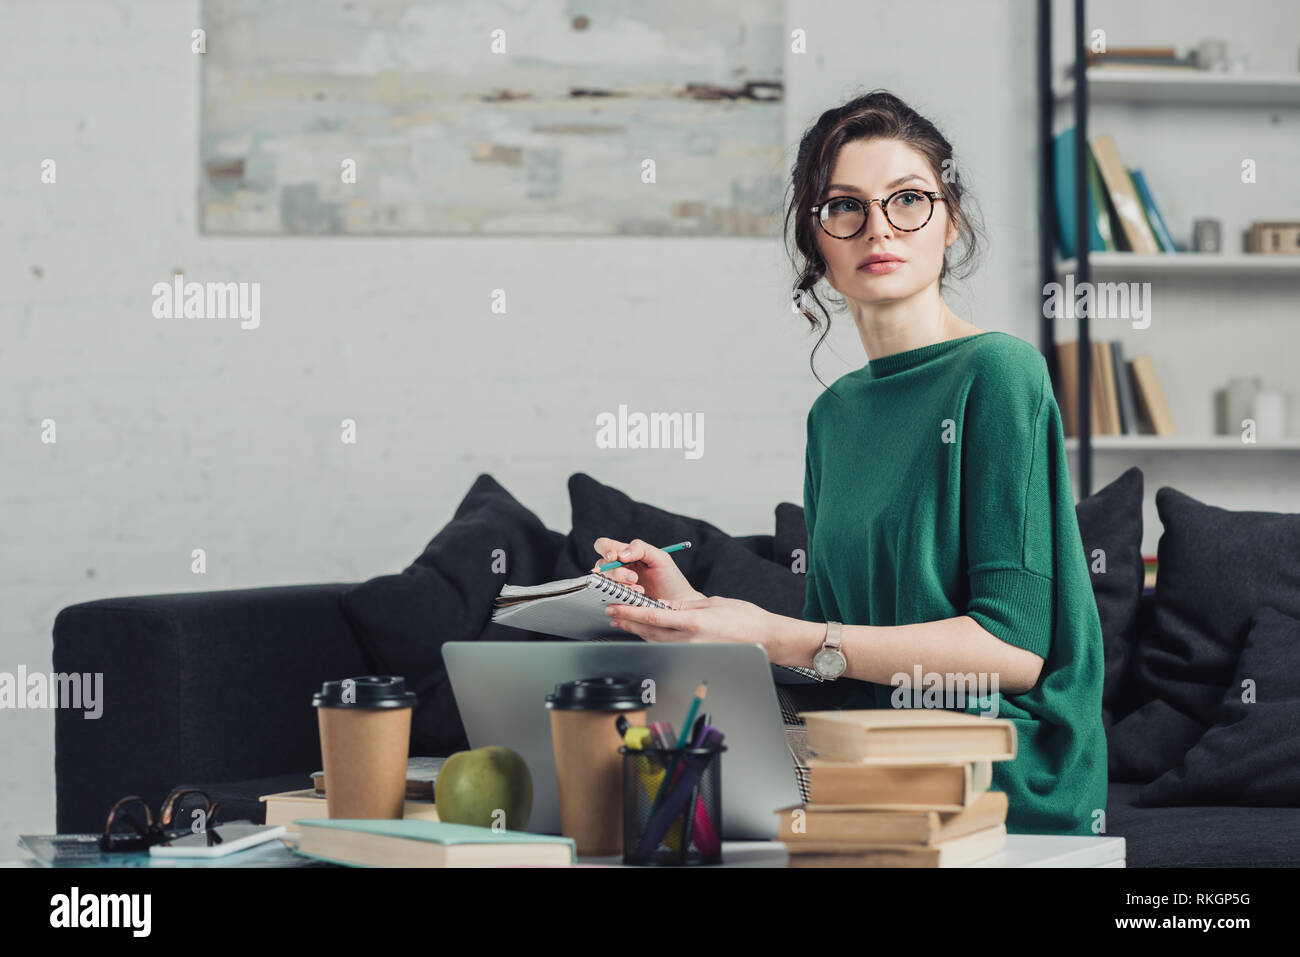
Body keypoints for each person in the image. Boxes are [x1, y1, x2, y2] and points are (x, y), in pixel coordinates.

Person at [592, 90, 1107, 837]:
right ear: (817, 241)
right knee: (629, 782)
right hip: (866, 747)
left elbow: (1014, 650)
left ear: (950, 220)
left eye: (909, 200)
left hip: (996, 760)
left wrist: (770, 633)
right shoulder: (833, 417)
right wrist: (692, 610)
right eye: (846, 207)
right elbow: (835, 659)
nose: (879, 228)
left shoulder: (999, 374)